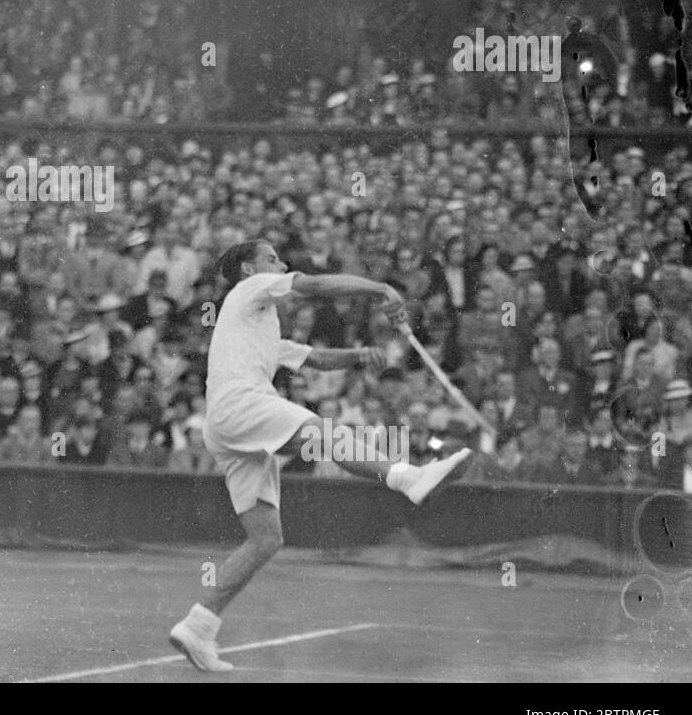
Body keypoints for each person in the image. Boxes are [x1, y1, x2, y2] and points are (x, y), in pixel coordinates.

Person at [168, 239, 472, 673]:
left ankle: (198, 626)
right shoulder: (249, 291)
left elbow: (314, 358)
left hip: (226, 427)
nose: (282, 263)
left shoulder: (255, 324)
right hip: (239, 406)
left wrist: (357, 355)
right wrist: (381, 288)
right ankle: (407, 477)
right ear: (249, 269)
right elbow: (312, 285)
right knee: (322, 432)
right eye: (272, 258)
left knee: (266, 538)